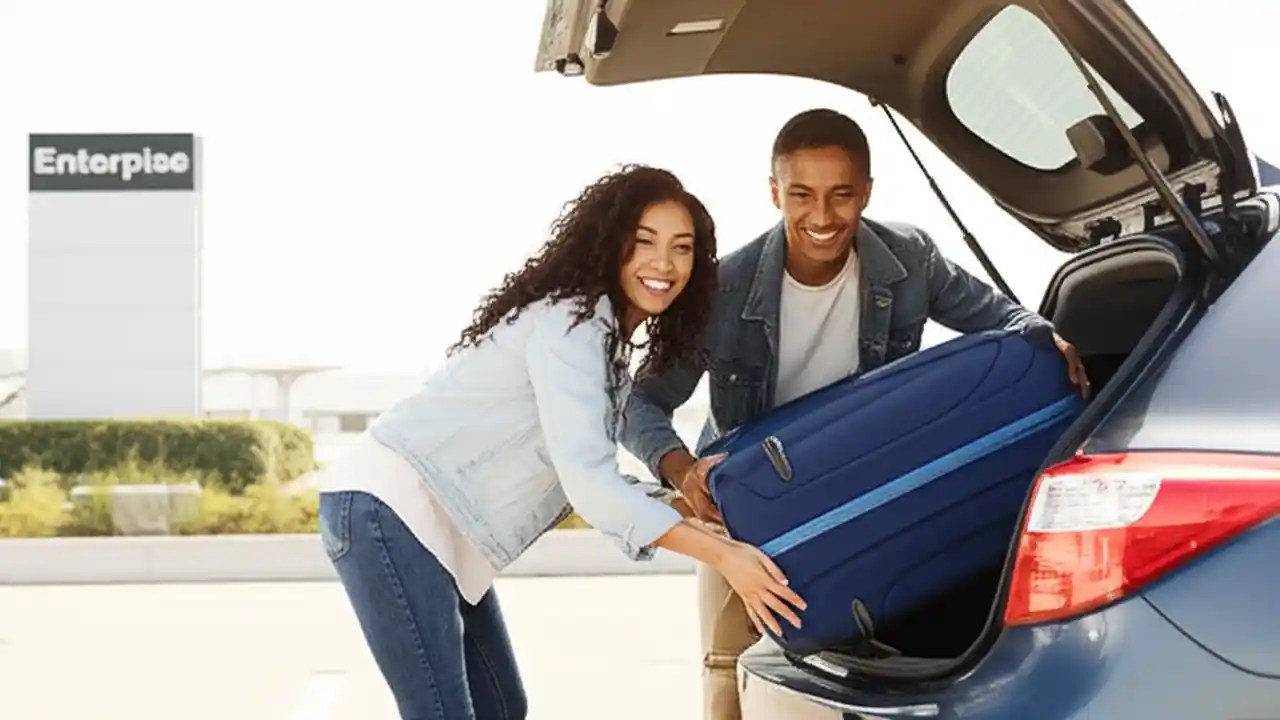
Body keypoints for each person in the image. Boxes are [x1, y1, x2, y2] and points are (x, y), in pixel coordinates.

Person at [619, 109, 1090, 720]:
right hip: (747, 511)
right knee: (729, 668)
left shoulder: (908, 258)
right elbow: (640, 402)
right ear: (774, 192)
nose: (822, 217)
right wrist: (684, 472)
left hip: (859, 495)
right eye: (802, 195)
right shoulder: (722, 289)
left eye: (842, 195)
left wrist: (1045, 336)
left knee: (856, 671)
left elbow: (1003, 317)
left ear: (867, 191)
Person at [316, 164, 808, 720]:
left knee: (503, 707)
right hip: (390, 509)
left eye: (682, 248)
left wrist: (680, 506)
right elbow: (588, 481)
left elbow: (588, 471)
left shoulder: (605, 343)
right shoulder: (572, 325)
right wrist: (724, 556)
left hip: (439, 527)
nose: (663, 264)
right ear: (610, 241)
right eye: (644, 241)